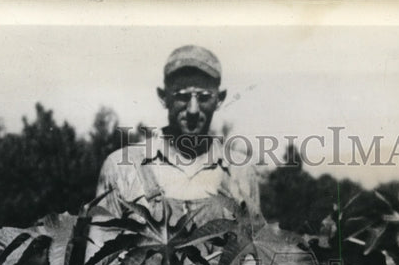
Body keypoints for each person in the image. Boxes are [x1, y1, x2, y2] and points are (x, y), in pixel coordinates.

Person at [86, 44, 265, 248]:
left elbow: (251, 258)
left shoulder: (240, 171)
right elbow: (98, 258)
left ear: (219, 99)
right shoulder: (122, 167)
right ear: (164, 97)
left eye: (204, 97)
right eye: (182, 96)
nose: (193, 110)